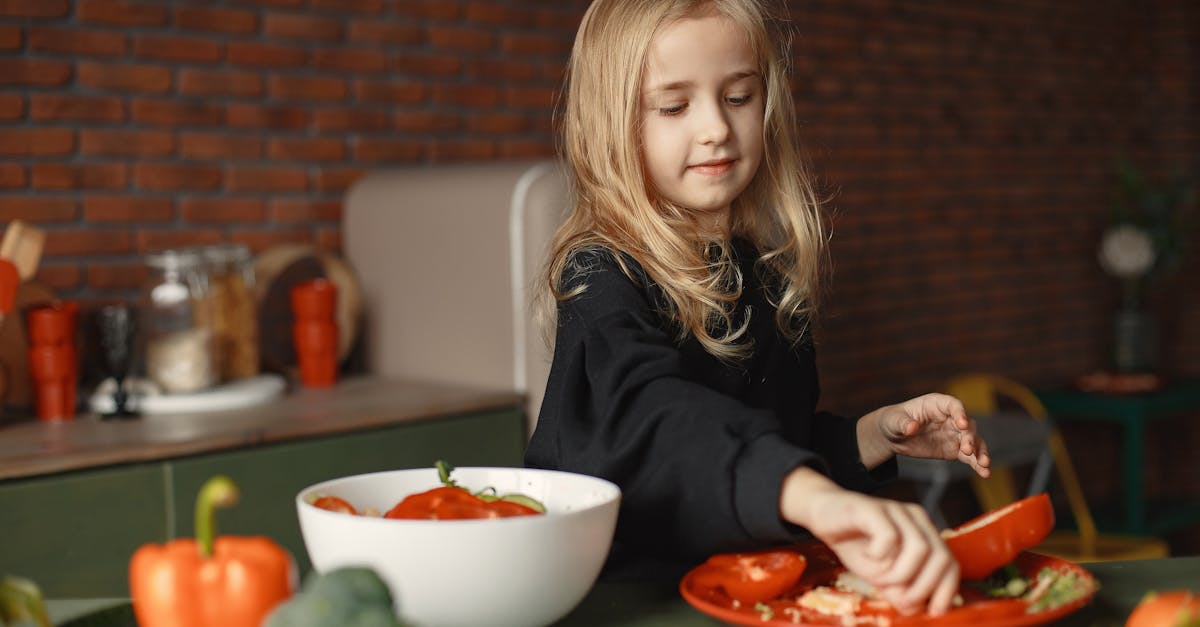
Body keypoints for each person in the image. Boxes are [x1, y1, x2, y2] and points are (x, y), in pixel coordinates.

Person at [525, 0, 990, 616]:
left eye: (738, 96)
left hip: (738, 590)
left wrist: (872, 436)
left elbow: (768, 440)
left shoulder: (762, 273)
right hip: (616, 600)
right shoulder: (601, 273)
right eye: (674, 105)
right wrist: (813, 499)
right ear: (612, 124)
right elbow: (657, 418)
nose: (715, 126)